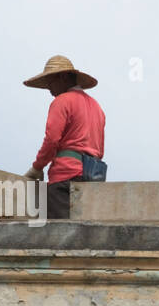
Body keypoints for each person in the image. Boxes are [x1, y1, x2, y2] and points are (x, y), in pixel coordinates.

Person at [21, 55, 106, 221]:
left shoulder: (62, 101)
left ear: (63, 77)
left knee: (57, 235)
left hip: (65, 178)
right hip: (94, 179)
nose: (50, 90)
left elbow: (52, 139)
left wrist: (37, 167)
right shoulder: (97, 107)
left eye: (50, 83)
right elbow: (99, 150)